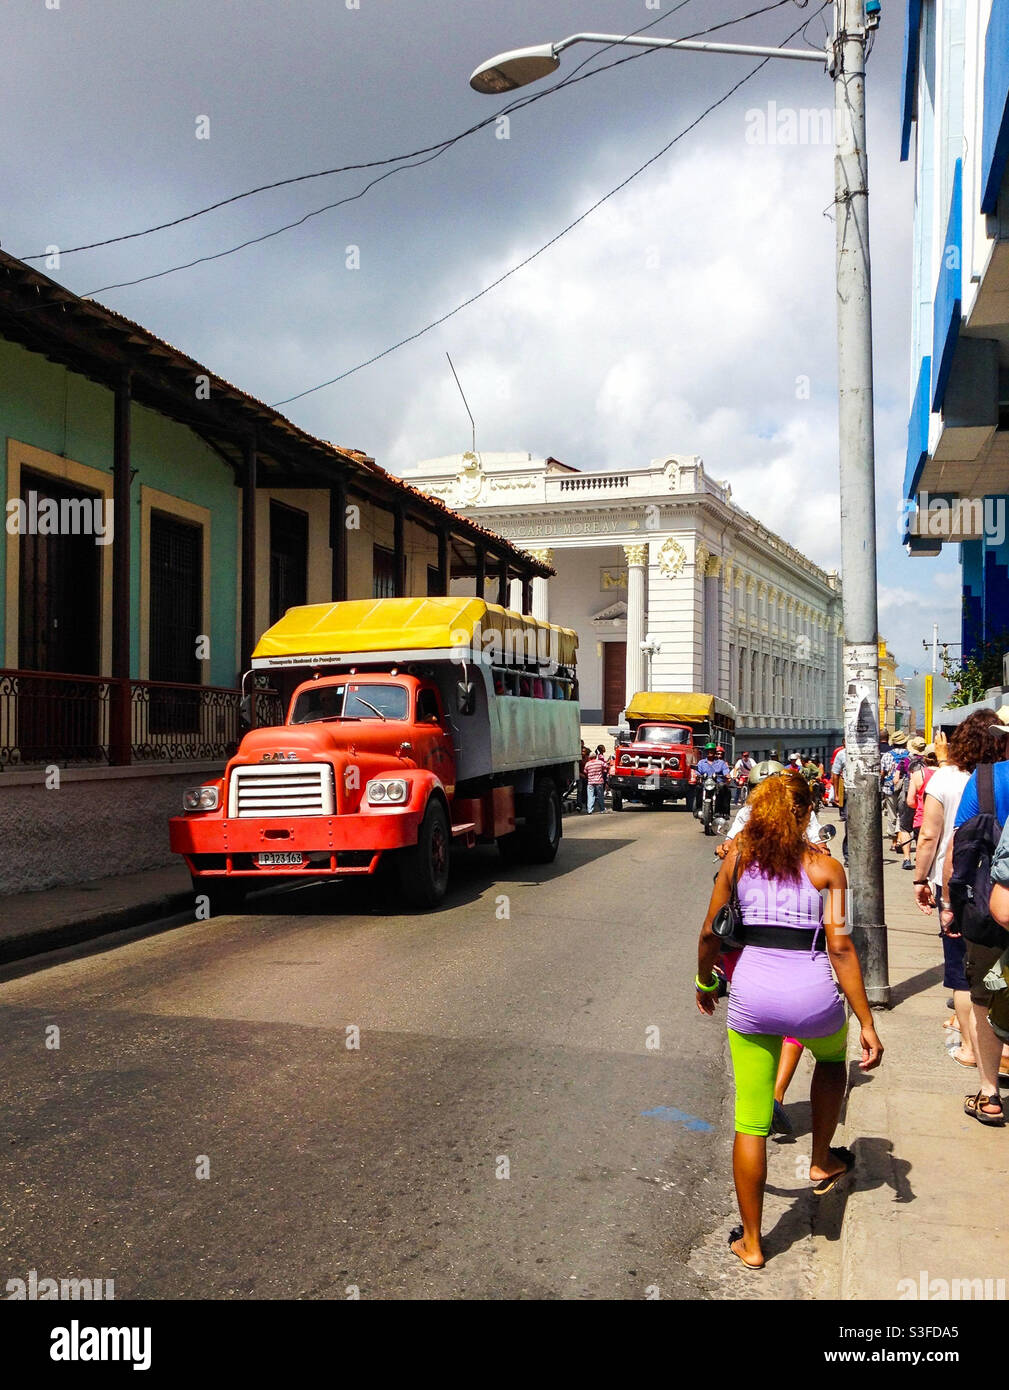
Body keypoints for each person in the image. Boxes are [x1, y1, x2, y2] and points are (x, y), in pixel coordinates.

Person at [696, 771, 884, 1268]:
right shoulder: (829, 870)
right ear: (806, 814)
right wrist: (866, 1021)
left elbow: (709, 935)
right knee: (829, 1059)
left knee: (751, 1122)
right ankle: (822, 1159)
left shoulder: (737, 861)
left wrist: (704, 981)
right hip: (815, 997)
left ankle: (754, 1243)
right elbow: (841, 948)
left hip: (753, 996)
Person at [912, 713, 999, 1070]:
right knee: (994, 966)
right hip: (997, 880)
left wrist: (920, 878)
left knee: (962, 973)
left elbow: (930, 836)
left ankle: (969, 1047)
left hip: (957, 882)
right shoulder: (999, 776)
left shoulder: (944, 778)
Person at [939, 709, 1009, 1124]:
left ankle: (990, 1094)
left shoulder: (986, 780)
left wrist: (951, 903)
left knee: (984, 995)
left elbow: (959, 848)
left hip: (986, 907)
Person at [697, 742, 732, 820]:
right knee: (697, 788)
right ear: (705, 752)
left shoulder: (721, 763)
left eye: (712, 750)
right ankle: (698, 809)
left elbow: (726, 771)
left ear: (715, 752)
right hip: (705, 784)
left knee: (723, 787)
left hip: (717, 784)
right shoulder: (701, 763)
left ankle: (721, 811)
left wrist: (727, 775)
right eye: (708, 751)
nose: (710, 752)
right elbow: (697, 772)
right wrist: (697, 776)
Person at [830, 743, 847, 866]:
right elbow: (835, 774)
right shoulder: (841, 754)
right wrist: (836, 794)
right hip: (848, 793)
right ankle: (848, 856)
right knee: (849, 826)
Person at [584, 744, 609, 814]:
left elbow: (585, 771)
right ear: (595, 757)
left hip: (590, 782)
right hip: (599, 782)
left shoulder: (587, 764)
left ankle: (590, 810)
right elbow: (606, 766)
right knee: (600, 796)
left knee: (590, 796)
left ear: (590, 757)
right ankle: (602, 809)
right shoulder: (600, 762)